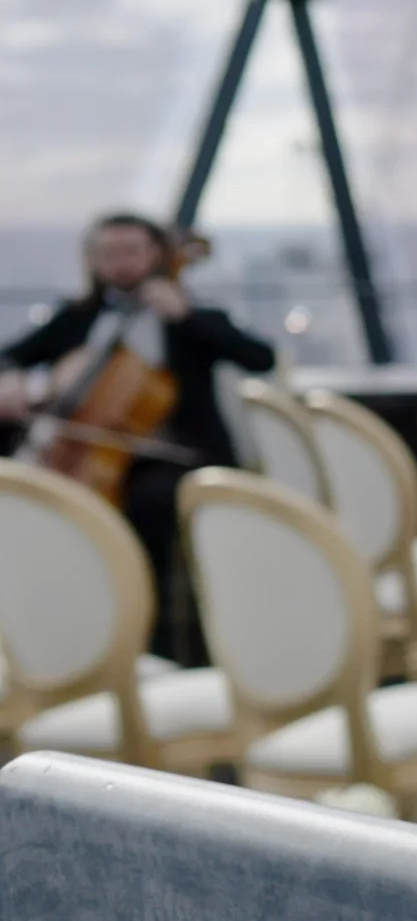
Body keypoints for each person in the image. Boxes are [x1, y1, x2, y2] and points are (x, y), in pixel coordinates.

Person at [0, 214, 278, 665]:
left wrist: (185, 316)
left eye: (132, 252)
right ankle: (45, 637)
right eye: (109, 254)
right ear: (93, 261)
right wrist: (11, 379)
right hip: (93, 450)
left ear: (155, 256)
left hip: (177, 455)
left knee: (150, 501)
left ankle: (156, 644)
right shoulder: (78, 317)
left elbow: (258, 357)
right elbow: (11, 353)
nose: (122, 264)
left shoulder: (189, 314)